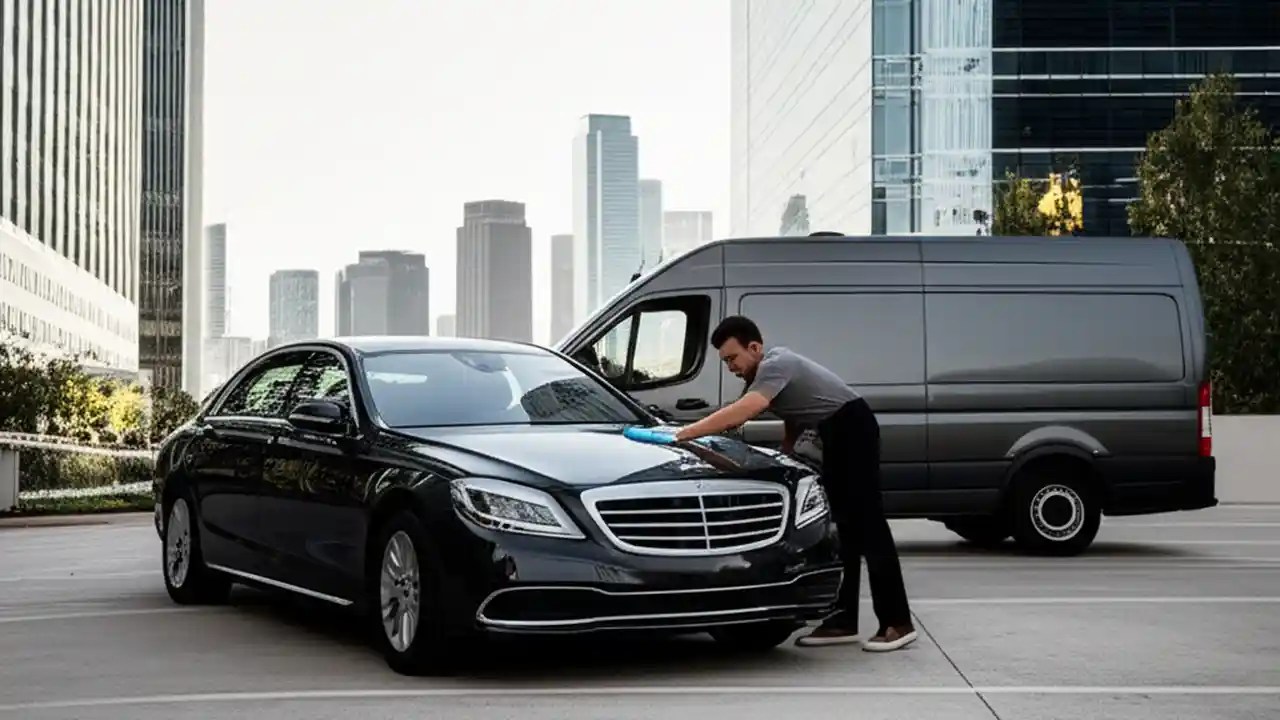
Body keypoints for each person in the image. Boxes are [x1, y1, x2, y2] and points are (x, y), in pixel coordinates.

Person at [672, 315, 917, 652]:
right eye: (725, 361)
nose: (730, 367)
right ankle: (843, 621)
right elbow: (794, 412)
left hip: (852, 427)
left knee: (869, 526)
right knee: (841, 528)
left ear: (754, 347)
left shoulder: (776, 363)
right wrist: (787, 452)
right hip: (832, 431)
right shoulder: (765, 373)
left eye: (732, 358)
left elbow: (746, 410)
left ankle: (897, 622)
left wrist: (686, 433)